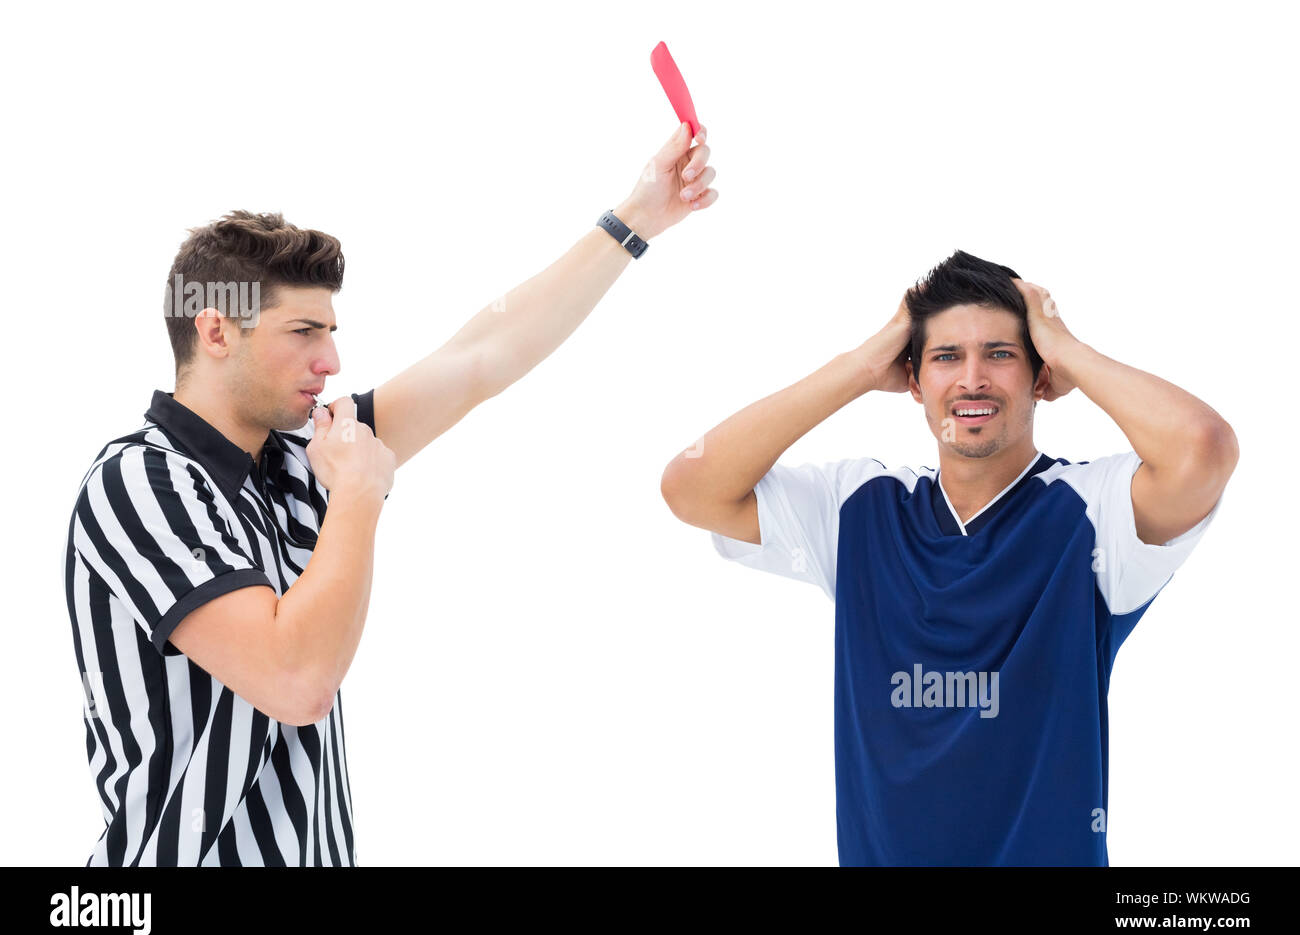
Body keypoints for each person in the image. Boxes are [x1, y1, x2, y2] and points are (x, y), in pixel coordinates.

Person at [64, 122, 718, 866]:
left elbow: (480, 358)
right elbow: (296, 678)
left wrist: (635, 219)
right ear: (216, 330)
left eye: (332, 330)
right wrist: (360, 494)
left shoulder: (302, 458)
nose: (331, 359)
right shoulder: (141, 481)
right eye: (304, 331)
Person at [660, 249, 1238, 865]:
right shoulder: (859, 509)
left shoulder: (1094, 516)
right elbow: (691, 487)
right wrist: (858, 366)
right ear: (912, 381)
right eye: (944, 357)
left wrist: (1066, 348)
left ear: (1041, 378)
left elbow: (1202, 449)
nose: (971, 380)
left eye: (1000, 354)